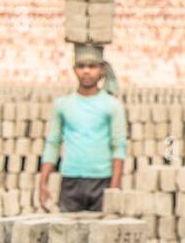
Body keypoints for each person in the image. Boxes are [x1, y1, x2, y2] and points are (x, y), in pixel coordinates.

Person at [39, 44, 127, 212]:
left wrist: (114, 187)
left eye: (92, 66)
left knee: (101, 236)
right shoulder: (62, 105)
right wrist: (43, 182)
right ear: (74, 70)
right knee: (68, 235)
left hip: (102, 180)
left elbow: (119, 147)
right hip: (71, 180)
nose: (86, 71)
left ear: (101, 70)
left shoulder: (112, 106)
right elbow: (53, 143)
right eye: (81, 66)